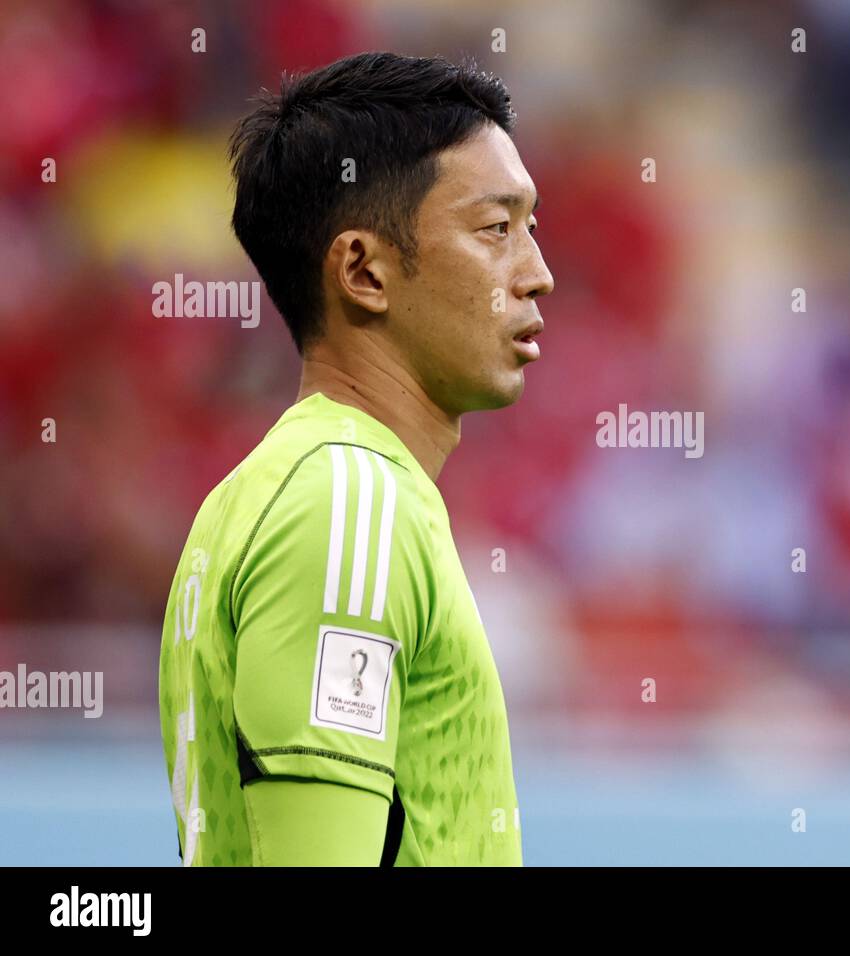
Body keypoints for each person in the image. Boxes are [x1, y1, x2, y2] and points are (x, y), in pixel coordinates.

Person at [158, 51, 554, 865]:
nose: (538, 275)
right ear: (364, 271)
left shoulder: (274, 492)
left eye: (532, 228)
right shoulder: (348, 500)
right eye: (496, 229)